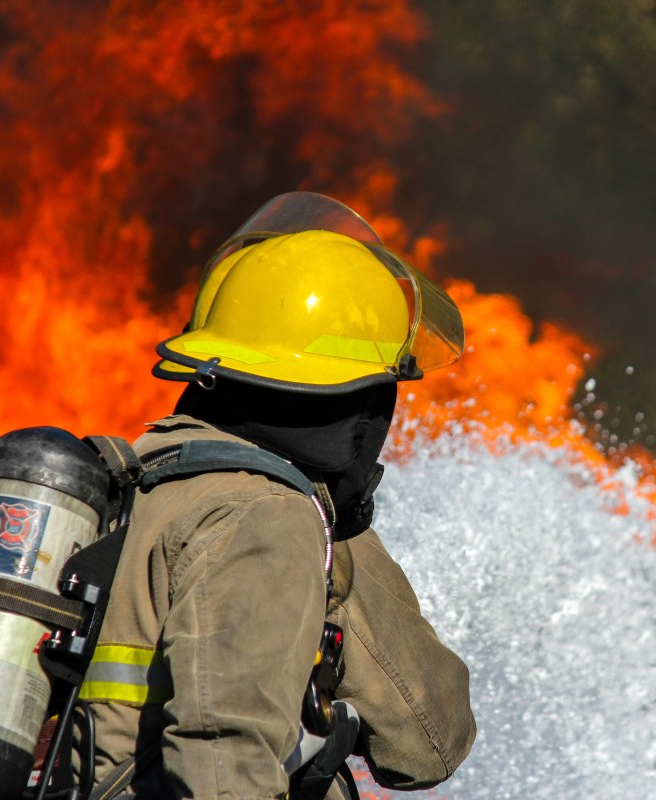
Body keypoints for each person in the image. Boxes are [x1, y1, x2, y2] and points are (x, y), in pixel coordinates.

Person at [79, 192, 477, 799]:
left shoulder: (131, 487)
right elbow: (226, 764)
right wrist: (332, 531)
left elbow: (430, 740)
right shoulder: (266, 515)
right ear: (360, 403)